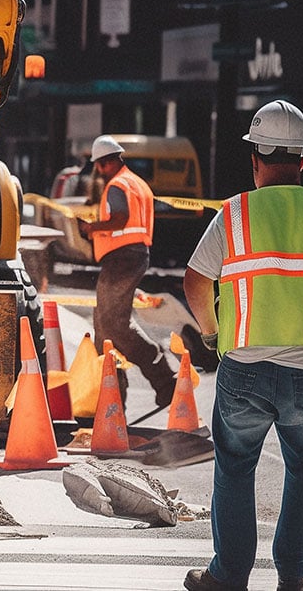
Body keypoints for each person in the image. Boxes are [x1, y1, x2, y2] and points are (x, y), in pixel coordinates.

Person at [182, 100, 303, 591]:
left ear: (255, 158)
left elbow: (194, 282)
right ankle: (295, 574)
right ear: (302, 161)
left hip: (244, 364)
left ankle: (228, 575)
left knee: (234, 467)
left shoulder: (234, 213)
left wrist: (212, 332)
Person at [77, 135, 178, 409]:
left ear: (101, 164)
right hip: (132, 256)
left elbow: (119, 218)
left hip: (121, 258)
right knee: (105, 324)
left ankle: (163, 379)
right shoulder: (137, 183)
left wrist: (91, 228)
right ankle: (113, 395)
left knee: (113, 325)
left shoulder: (117, 185)